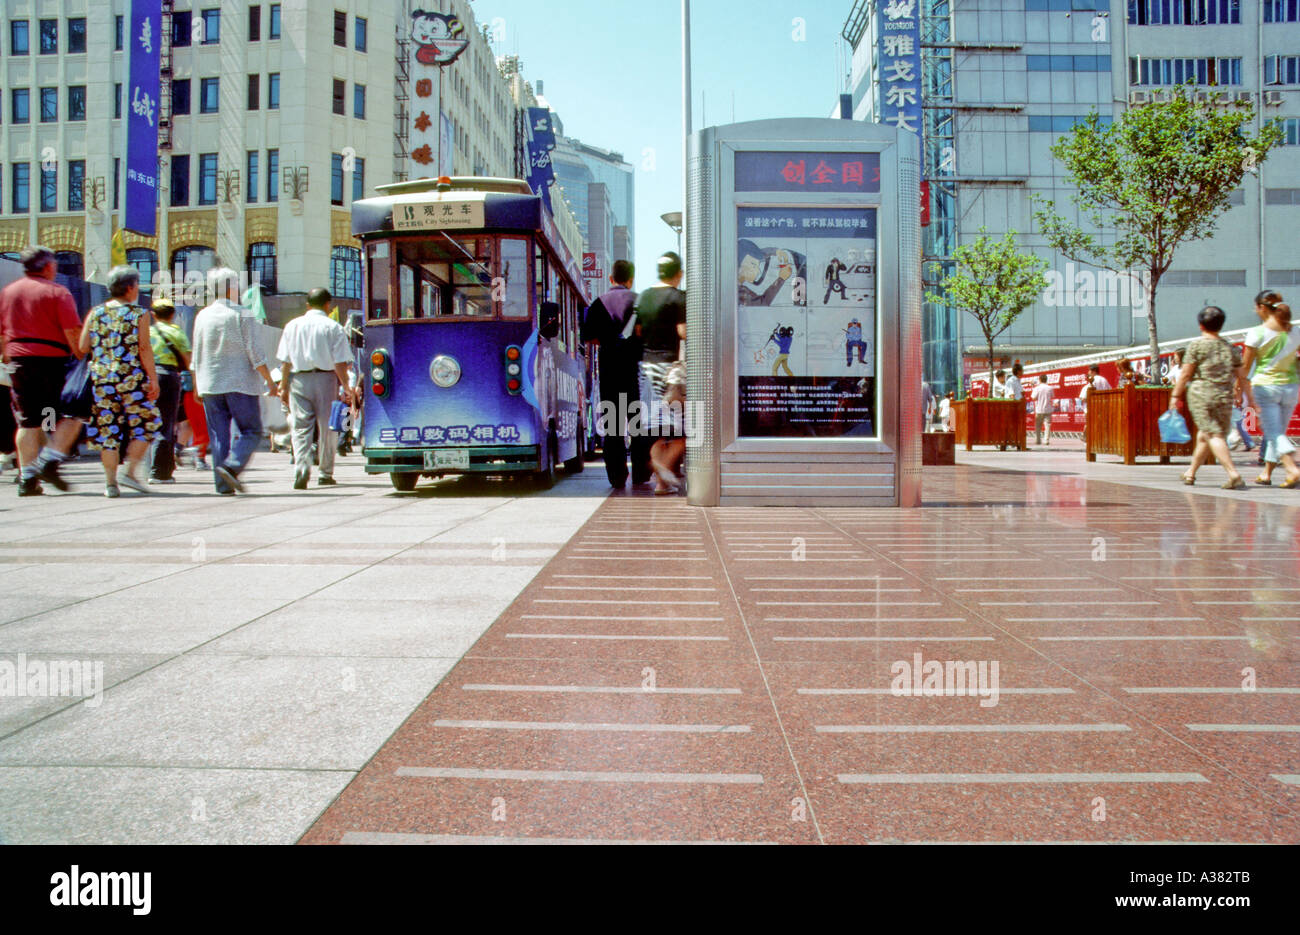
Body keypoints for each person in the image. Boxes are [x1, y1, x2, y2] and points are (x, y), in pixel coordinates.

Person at [0, 245, 86, 496]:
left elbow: (2, 333)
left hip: (19, 362)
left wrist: (6, 357)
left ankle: (27, 479)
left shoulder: (8, 292)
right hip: (52, 361)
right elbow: (71, 331)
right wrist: (81, 356)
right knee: (72, 414)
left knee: (27, 422)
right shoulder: (58, 292)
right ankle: (50, 459)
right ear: (48, 267)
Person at [191, 268, 278, 494]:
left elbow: (196, 354)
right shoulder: (242, 313)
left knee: (219, 435)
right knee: (251, 430)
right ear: (231, 287)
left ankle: (222, 485)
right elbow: (255, 352)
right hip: (239, 383)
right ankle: (232, 466)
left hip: (210, 383)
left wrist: (196, 385)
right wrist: (269, 380)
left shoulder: (202, 316)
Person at [78, 266, 162, 497]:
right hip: (131, 379)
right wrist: (153, 379)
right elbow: (144, 348)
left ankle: (110, 484)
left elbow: (83, 346)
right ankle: (130, 472)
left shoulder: (95, 312)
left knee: (108, 431)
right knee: (148, 423)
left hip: (102, 380)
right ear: (129, 288)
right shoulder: (139, 313)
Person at [276, 288, 355, 489]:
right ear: (328, 305)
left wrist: (283, 386)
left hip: (298, 379)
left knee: (301, 427)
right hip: (326, 379)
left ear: (308, 305)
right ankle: (325, 473)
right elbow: (339, 362)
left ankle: (301, 468)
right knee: (328, 428)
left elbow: (285, 361)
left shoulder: (292, 326)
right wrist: (347, 387)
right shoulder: (333, 327)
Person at [1171, 305, 1254, 489]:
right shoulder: (1229, 348)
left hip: (1202, 393)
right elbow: (1242, 375)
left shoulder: (1196, 346)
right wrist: (1251, 399)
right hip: (1224, 395)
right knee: (1205, 434)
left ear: (1201, 325)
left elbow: (1185, 374)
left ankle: (1233, 474)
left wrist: (1175, 395)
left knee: (1212, 433)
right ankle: (1190, 473)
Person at [580, 260, 640, 488]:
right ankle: (641, 473)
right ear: (631, 279)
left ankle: (617, 476)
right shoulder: (638, 302)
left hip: (608, 369)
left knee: (613, 425)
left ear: (611, 278)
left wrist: (607, 341)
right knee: (636, 423)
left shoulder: (598, 303)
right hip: (634, 369)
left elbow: (588, 337)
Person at [632, 252, 686, 489]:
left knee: (655, 427)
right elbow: (683, 332)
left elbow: (638, 331)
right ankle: (661, 467)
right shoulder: (678, 297)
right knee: (686, 429)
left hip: (646, 368)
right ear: (679, 274)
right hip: (670, 369)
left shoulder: (643, 297)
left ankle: (662, 483)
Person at [1241, 299, 1300, 487]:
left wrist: (1238, 387)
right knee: (1277, 431)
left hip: (1266, 387)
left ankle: (1292, 469)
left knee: (1274, 432)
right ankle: (1266, 473)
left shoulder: (1257, 333)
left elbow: (1245, 365)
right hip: (1290, 387)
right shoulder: (1296, 332)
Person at [147, 297, 190, 484]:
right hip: (169, 377)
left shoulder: (147, 332)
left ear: (153, 315)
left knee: (149, 422)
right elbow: (188, 360)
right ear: (173, 315)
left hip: (148, 377)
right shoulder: (177, 332)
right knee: (167, 423)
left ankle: (145, 467)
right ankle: (160, 472)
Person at [1032, 374, 1055, 445]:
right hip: (1048, 409)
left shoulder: (1037, 388)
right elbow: (1052, 396)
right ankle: (1046, 440)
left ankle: (1038, 440)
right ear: (1046, 380)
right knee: (1047, 425)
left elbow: (1033, 397)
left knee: (1038, 425)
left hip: (1039, 409)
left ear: (1040, 380)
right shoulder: (1050, 388)